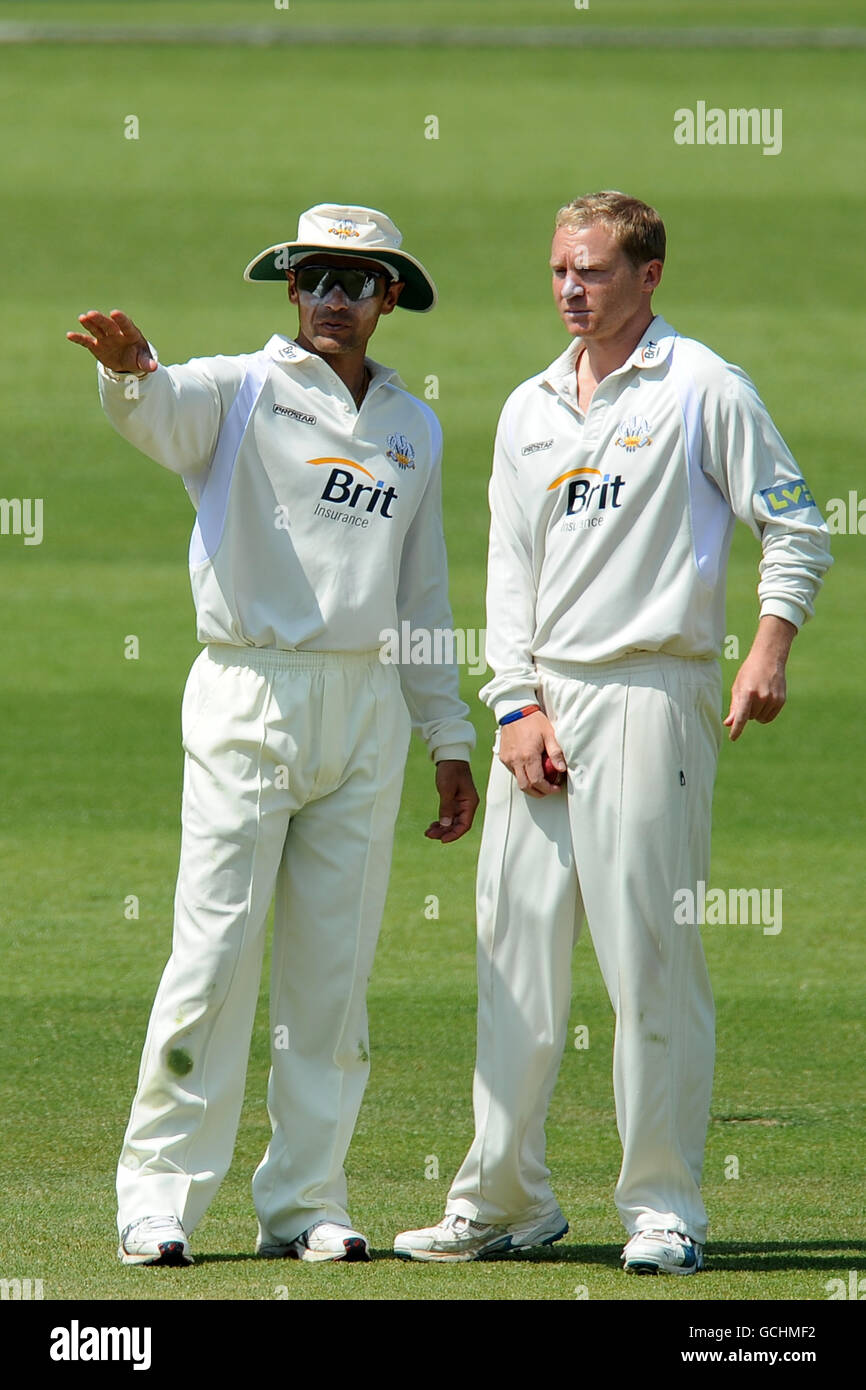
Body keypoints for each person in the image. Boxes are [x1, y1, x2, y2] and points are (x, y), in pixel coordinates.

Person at [394, 191, 831, 1273]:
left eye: (590, 270)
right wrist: (512, 702)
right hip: (541, 706)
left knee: (647, 958)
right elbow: (509, 573)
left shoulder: (701, 387)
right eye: (556, 270)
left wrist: (766, 649)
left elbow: (794, 522)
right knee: (512, 959)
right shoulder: (529, 406)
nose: (569, 289)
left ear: (647, 276)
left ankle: (663, 1206)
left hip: (651, 693)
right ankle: (504, 1198)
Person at [68, 202, 478, 1267]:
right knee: (213, 953)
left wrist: (447, 734)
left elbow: (420, 592)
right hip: (249, 690)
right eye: (314, 278)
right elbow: (156, 408)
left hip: (366, 707)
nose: (332, 299)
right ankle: (157, 1199)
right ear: (290, 290)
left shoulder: (411, 425)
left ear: (390, 297)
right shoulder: (235, 389)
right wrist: (128, 371)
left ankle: (305, 1198)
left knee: (331, 975)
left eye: (356, 281)